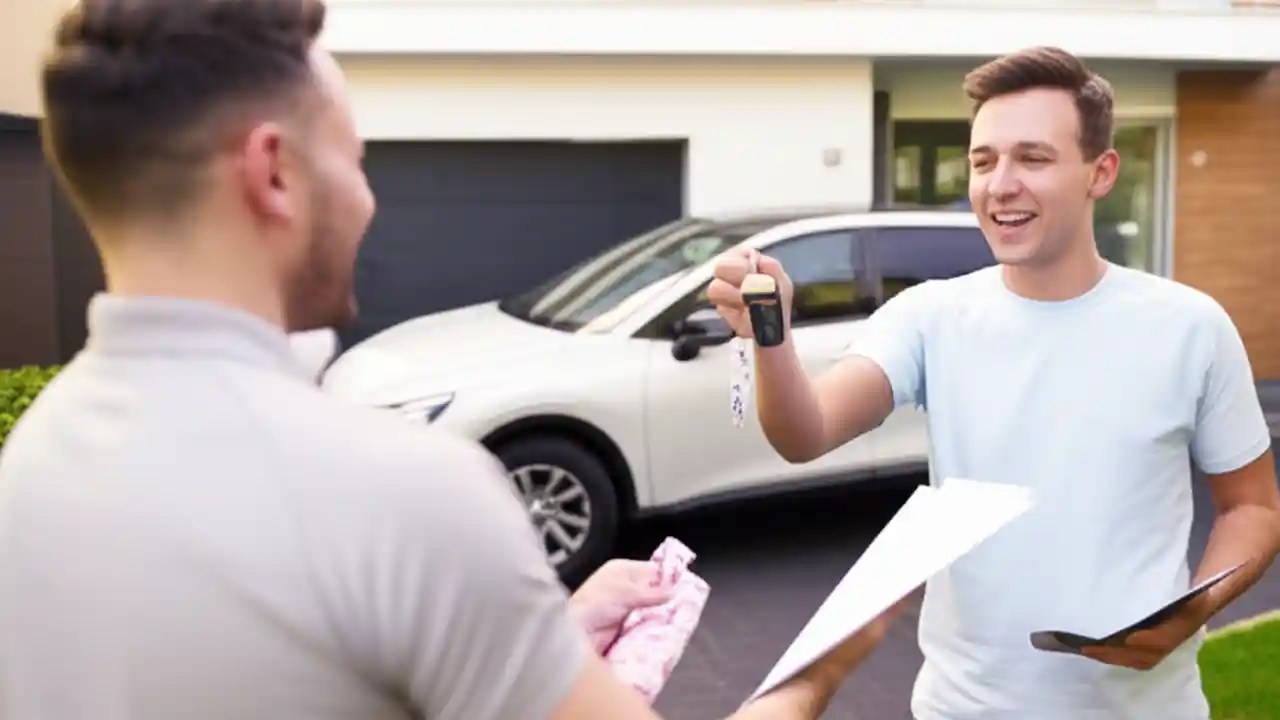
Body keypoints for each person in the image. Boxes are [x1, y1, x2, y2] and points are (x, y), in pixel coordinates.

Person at [0, 1, 903, 719]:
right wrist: (818, 669)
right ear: (273, 173)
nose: (366, 201)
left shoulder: (32, 465)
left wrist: (542, 629)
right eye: (356, 162)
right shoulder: (407, 495)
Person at [709, 46, 1280, 720]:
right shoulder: (931, 316)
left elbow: (1252, 509)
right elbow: (806, 434)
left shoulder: (1191, 326)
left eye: (1032, 158)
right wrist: (768, 334)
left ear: (1101, 172)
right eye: (983, 161)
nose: (998, 184)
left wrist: (1196, 608)